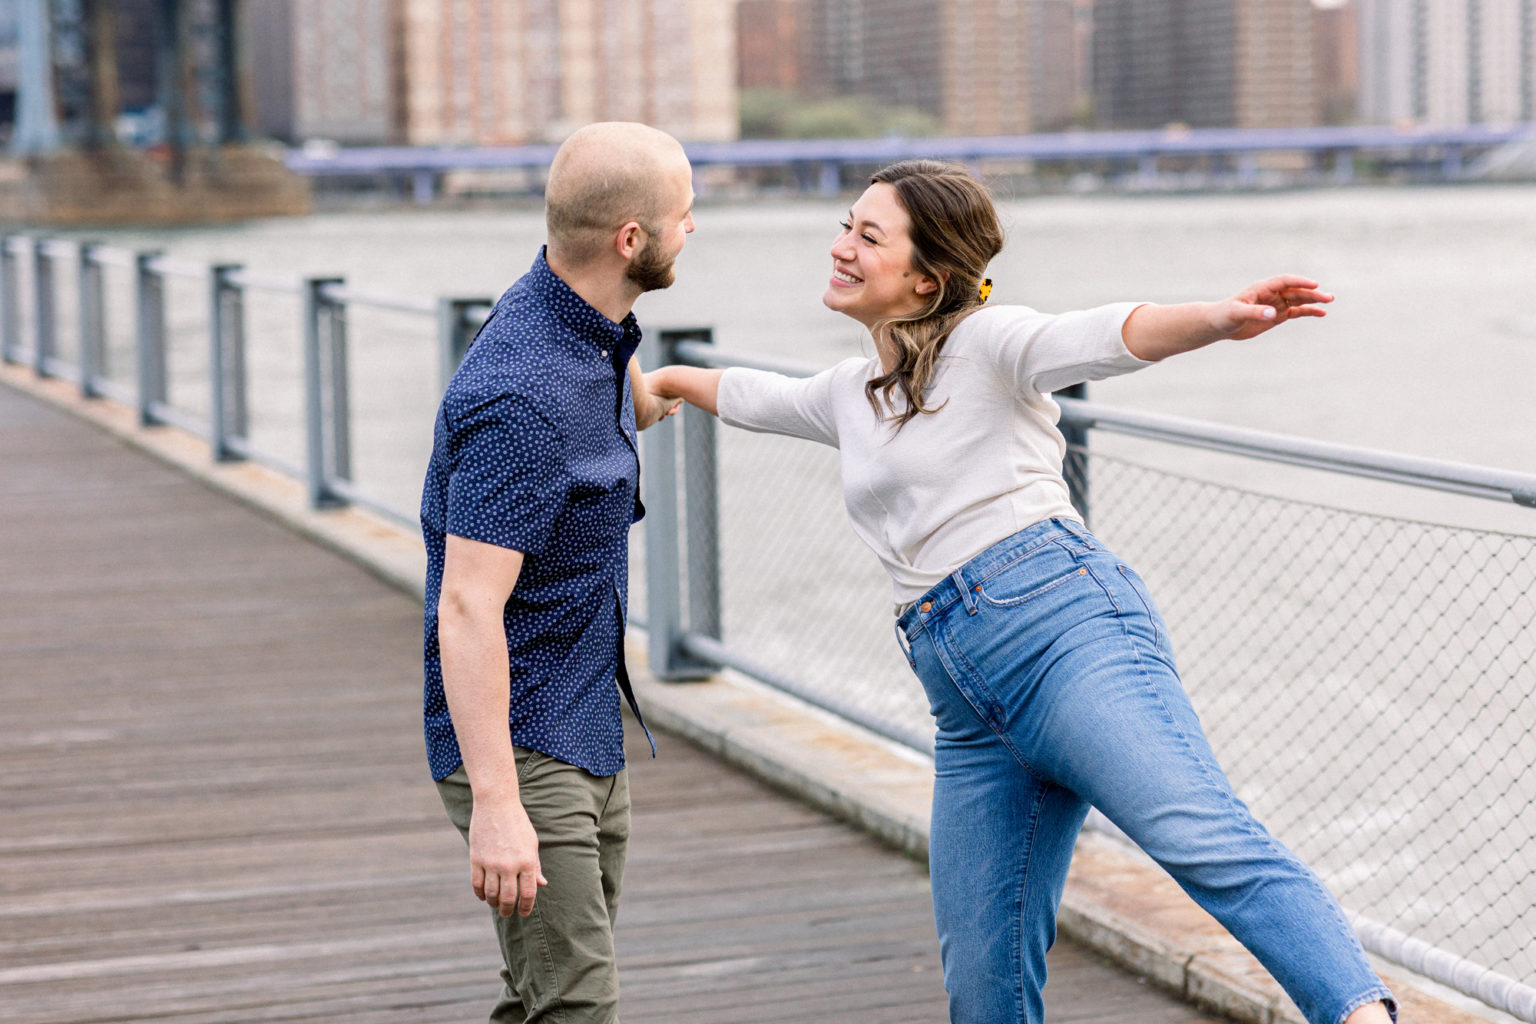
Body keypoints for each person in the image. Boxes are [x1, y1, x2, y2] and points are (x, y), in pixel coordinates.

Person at [643, 160, 1396, 1024]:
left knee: (1200, 837)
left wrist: (1221, 319)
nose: (840, 246)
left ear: (926, 279)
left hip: (1061, 634)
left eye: (867, 235)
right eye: (847, 225)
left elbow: (1104, 334)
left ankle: (1357, 1014)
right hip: (966, 707)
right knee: (983, 978)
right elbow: (748, 394)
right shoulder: (851, 395)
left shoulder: (989, 345)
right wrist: (663, 384)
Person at [420, 121, 690, 1024]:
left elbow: (615, 410)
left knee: (542, 995)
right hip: (527, 739)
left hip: (584, 721)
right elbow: (466, 608)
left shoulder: (573, 314)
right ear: (631, 240)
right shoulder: (527, 398)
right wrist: (498, 803)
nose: (694, 231)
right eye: (684, 217)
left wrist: (680, 389)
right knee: (577, 1003)